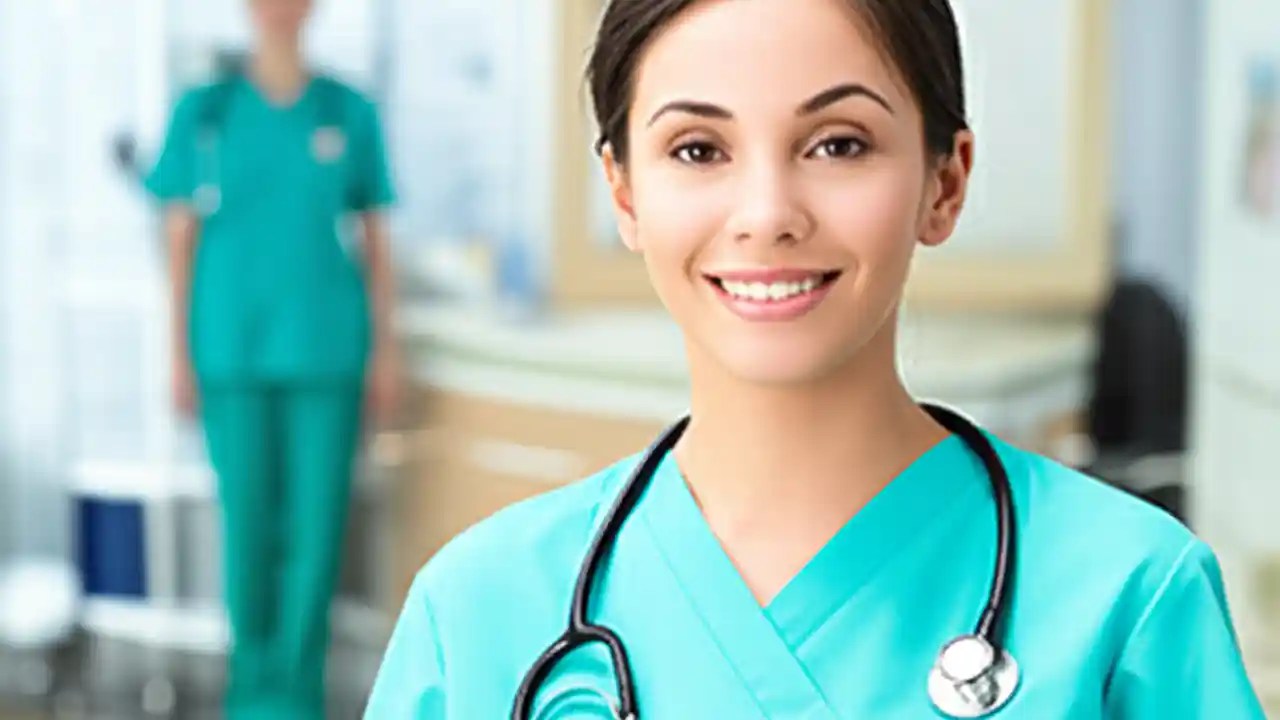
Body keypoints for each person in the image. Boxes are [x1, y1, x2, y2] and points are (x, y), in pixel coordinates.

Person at [364, 0, 1266, 717]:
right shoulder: (479, 610)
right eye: (698, 149)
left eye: (838, 144)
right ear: (626, 193)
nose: (768, 212)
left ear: (943, 182)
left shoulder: (1128, 595)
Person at [144, 0, 400, 716]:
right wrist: (176, 354)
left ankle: (297, 696)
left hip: (326, 352)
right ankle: (251, 693)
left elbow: (377, 240)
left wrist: (386, 350)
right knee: (248, 529)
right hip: (230, 351)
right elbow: (178, 241)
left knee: (316, 534)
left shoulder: (347, 111)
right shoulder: (206, 110)